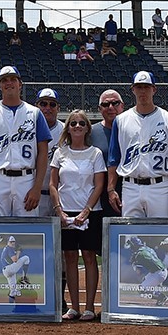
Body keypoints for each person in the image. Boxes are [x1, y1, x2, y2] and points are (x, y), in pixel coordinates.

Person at [49, 110, 105, 321]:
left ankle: (89, 307)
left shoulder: (95, 153)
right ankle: (74, 307)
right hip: (66, 212)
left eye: (82, 123)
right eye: (73, 123)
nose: (78, 126)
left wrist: (86, 210)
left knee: (89, 257)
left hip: (90, 211)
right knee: (70, 257)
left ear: (87, 128)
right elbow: (53, 184)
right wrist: (59, 210)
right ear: (68, 128)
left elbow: (98, 185)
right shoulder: (60, 153)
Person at [107, 70, 168, 217]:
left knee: (162, 234)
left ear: (154, 89)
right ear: (133, 89)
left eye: (146, 87)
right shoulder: (121, 120)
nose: (142, 91)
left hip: (160, 187)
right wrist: (111, 189)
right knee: (131, 235)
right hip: (130, 186)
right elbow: (113, 160)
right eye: (139, 87)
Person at [0, 66, 52, 217]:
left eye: (12, 79)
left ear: (20, 84)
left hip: (26, 178)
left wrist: (37, 187)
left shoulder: (35, 113)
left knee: (26, 230)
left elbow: (43, 152)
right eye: (4, 80)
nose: (9, 83)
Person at [91, 90, 124, 220]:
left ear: (122, 105)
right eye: (106, 105)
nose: (111, 108)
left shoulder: (133, 129)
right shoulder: (91, 132)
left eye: (115, 103)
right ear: (99, 109)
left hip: (128, 189)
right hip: (98, 192)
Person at [36, 88, 65, 216]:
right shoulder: (28, 129)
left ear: (58, 108)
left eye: (52, 104)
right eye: (43, 104)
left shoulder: (66, 130)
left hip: (60, 196)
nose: (48, 107)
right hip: (36, 193)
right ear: (36, 106)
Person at [0, 236, 31, 301]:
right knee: (26, 258)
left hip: (6, 270)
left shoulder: (6, 248)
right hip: (9, 269)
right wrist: (18, 251)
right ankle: (24, 277)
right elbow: (15, 260)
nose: (12, 243)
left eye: (13, 241)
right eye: (11, 242)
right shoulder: (9, 248)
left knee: (12, 291)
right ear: (8, 242)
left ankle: (10, 305)